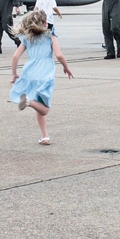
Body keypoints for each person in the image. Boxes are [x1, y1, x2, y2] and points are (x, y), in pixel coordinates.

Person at [9, 9, 74, 145]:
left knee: (40, 105)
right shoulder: (50, 35)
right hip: (45, 73)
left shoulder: (27, 38)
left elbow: (15, 56)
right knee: (45, 109)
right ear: (44, 23)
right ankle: (28, 102)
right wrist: (66, 67)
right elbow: (59, 55)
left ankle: (45, 136)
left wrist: (14, 74)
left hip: (30, 72)